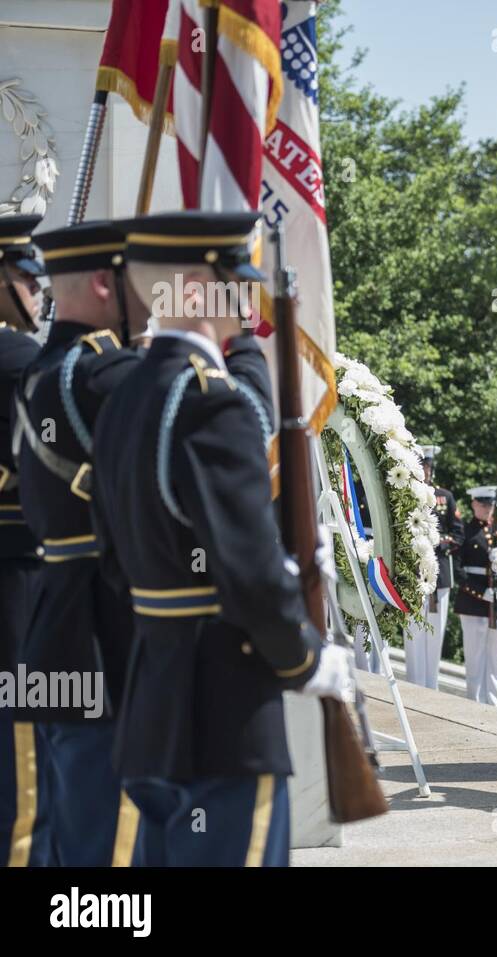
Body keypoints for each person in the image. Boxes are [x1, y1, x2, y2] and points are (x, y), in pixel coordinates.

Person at [91, 211, 351, 866]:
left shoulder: (123, 394)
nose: (251, 296)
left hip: (153, 702)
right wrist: (307, 656)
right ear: (204, 287)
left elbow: (114, 557)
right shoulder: (214, 402)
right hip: (226, 711)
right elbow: (251, 575)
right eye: (241, 279)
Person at [12, 221, 146, 866]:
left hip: (49, 623)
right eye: (136, 281)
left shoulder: (40, 370)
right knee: (107, 841)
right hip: (106, 632)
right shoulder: (102, 377)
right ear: (104, 283)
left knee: (54, 817)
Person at [0, 214, 50, 866]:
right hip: (18, 574)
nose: (40, 295)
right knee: (22, 753)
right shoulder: (23, 362)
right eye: (28, 281)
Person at [404, 445, 463, 689]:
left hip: (439, 571)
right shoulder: (406, 492)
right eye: (422, 465)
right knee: (414, 627)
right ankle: (413, 681)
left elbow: (458, 533)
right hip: (414, 569)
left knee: (435, 631)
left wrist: (440, 542)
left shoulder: (445, 497)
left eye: (428, 466)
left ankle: (431, 683)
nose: (425, 470)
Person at [453, 485, 497, 706]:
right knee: (475, 657)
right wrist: (479, 592)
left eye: (491, 505)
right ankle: (474, 700)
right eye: (483, 504)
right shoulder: (466, 531)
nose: (487, 509)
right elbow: (458, 570)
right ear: (474, 504)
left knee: (495, 658)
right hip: (473, 603)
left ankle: (493, 702)